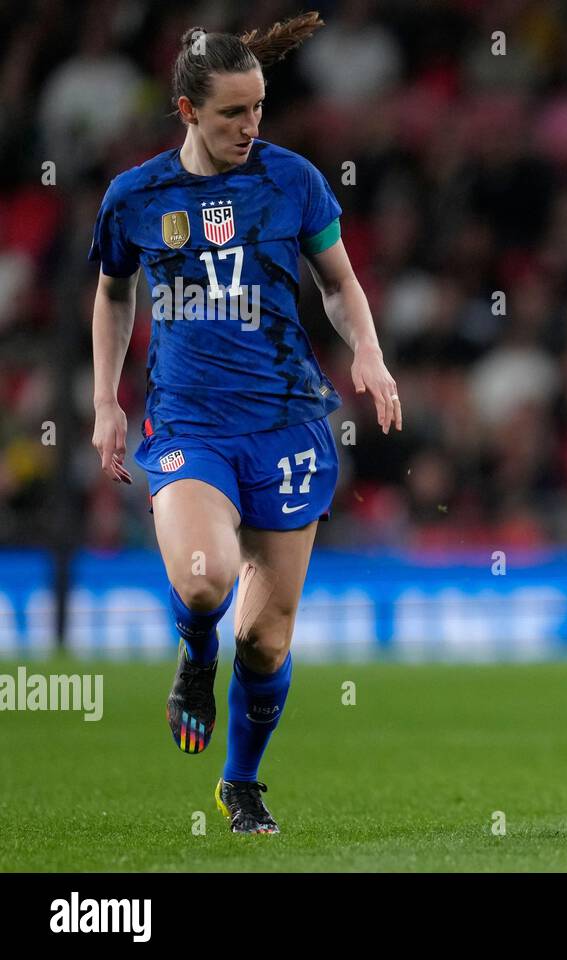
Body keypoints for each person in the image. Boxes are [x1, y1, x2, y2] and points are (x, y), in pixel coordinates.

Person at [89, 13, 402, 834]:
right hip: (191, 422)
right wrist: (102, 400)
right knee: (203, 579)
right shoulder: (137, 197)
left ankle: (242, 784)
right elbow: (114, 292)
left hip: (289, 424)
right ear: (188, 111)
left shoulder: (293, 181)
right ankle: (196, 658)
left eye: (259, 108)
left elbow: (338, 282)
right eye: (232, 113)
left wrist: (367, 352)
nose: (250, 126)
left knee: (264, 642)